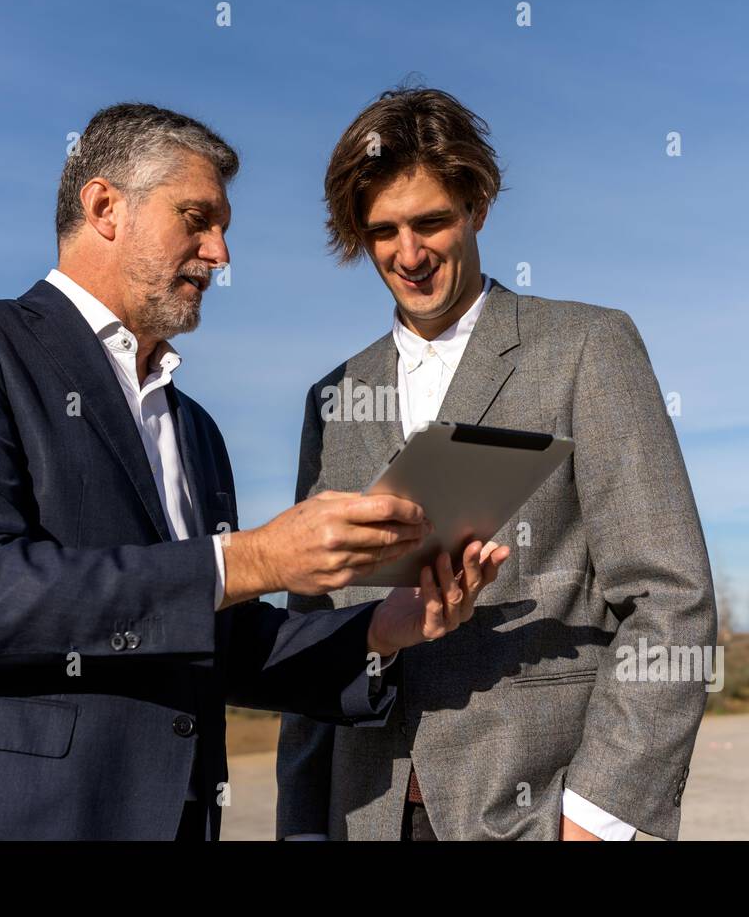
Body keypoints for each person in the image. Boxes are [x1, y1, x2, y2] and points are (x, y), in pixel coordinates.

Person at [0, 102, 507, 841]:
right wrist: (253, 557)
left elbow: (223, 641)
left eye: (223, 230)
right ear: (104, 206)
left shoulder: (198, 432)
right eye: (197, 218)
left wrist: (385, 627)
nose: (220, 254)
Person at [276, 87, 716, 841]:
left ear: (478, 205)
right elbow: (312, 629)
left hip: (541, 813)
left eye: (431, 222)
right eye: (383, 232)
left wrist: (602, 814)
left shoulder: (587, 348)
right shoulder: (334, 395)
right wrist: (303, 823)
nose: (408, 255)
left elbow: (670, 599)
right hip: (366, 812)